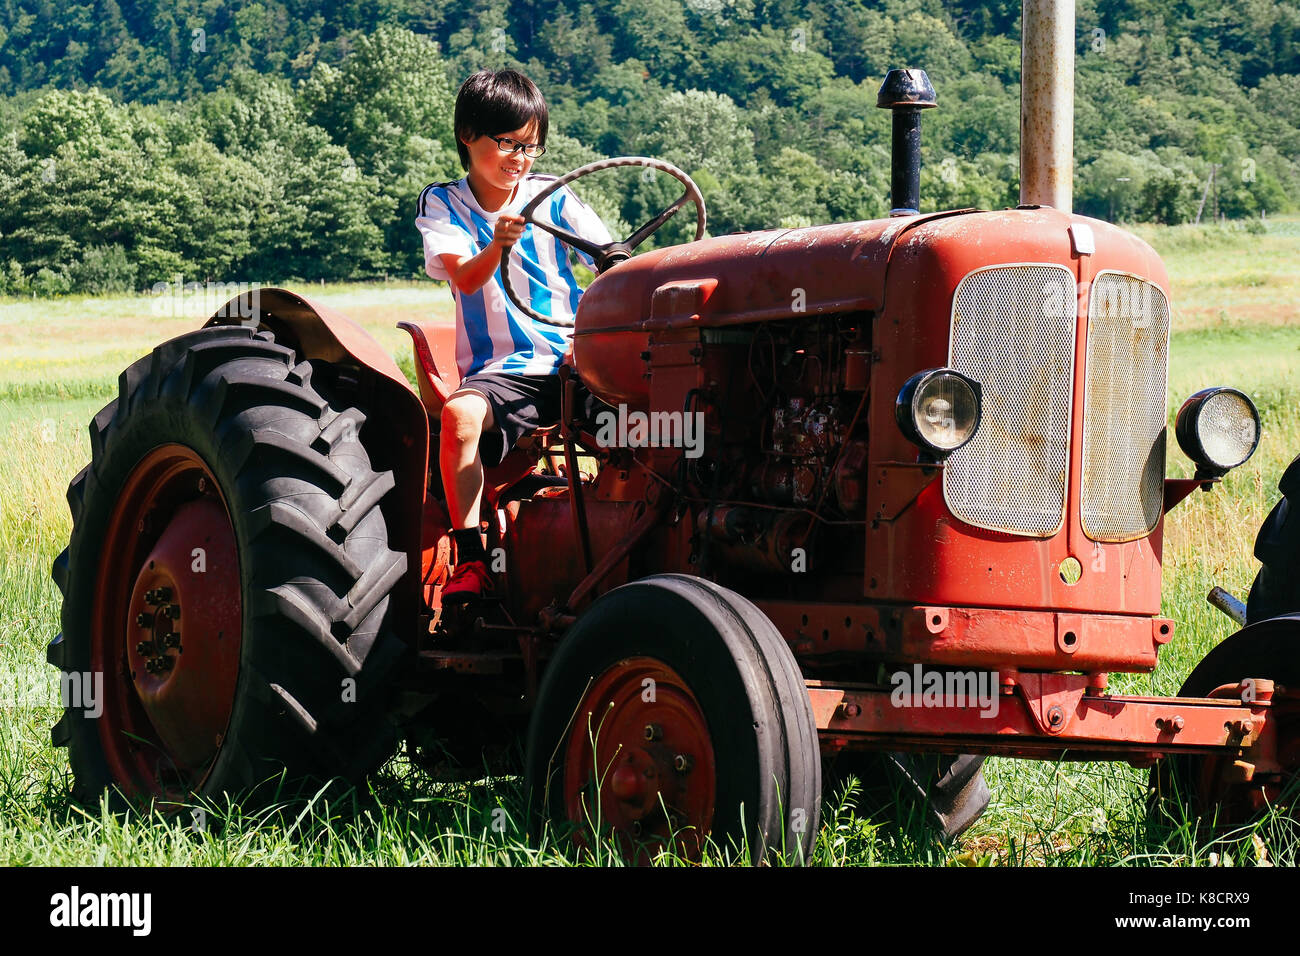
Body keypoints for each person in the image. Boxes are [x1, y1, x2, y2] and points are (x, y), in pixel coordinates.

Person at [415, 69, 614, 604]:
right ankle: (473, 560)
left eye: (531, 146)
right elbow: (465, 277)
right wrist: (498, 245)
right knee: (458, 418)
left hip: (575, 361)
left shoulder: (552, 195)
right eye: (506, 143)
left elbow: (608, 260)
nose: (520, 159)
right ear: (468, 135)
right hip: (503, 374)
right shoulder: (443, 204)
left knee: (658, 424)